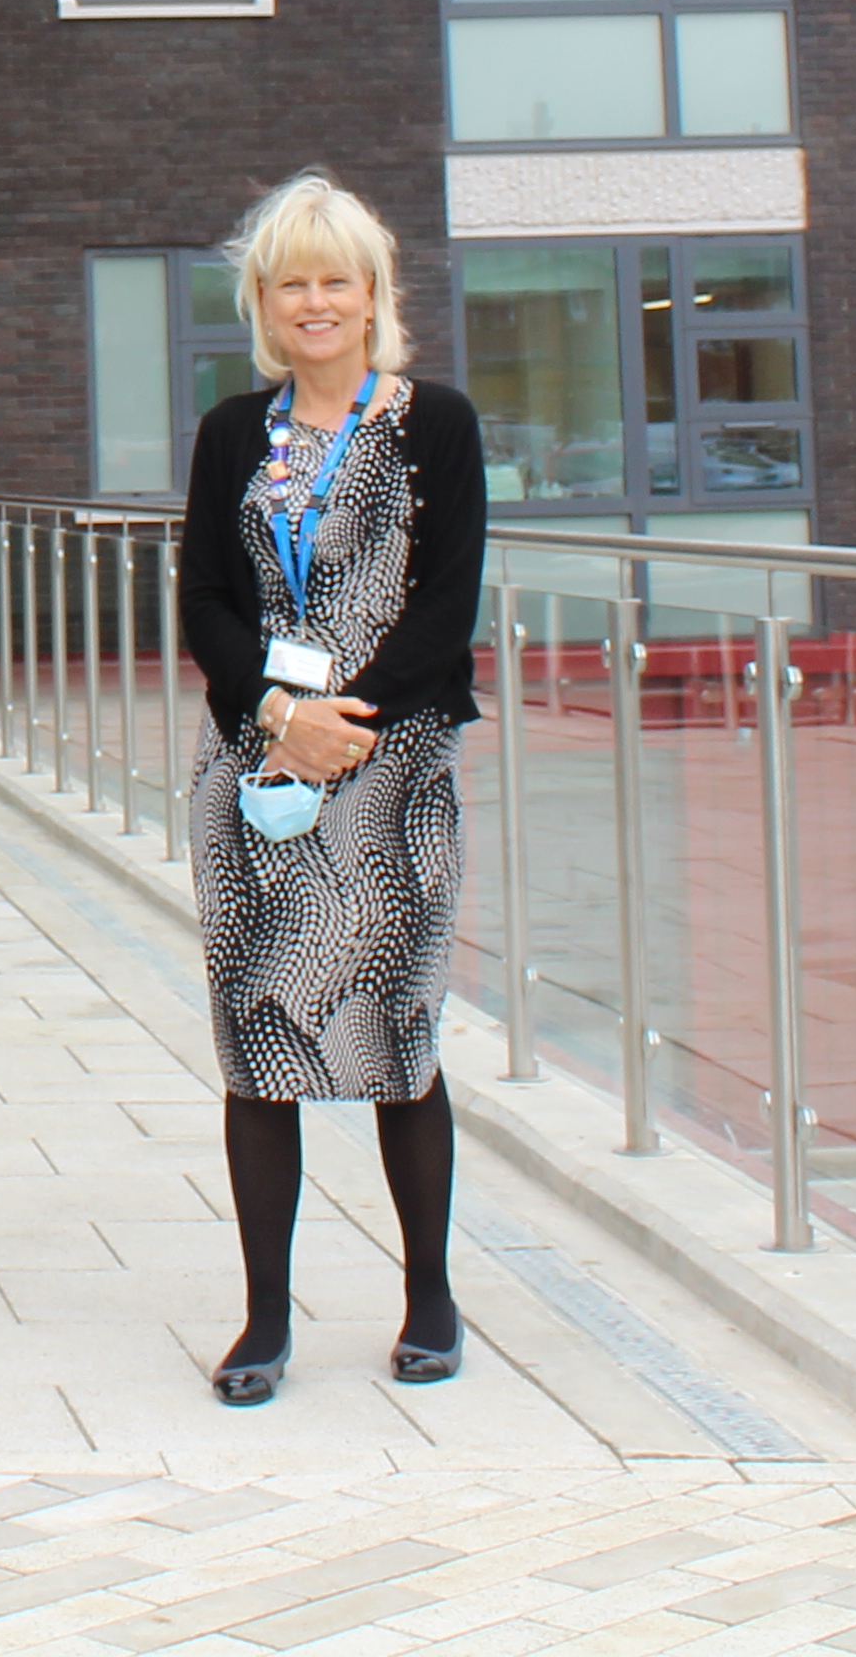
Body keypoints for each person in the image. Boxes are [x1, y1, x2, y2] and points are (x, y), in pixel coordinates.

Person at [175, 169, 490, 1405]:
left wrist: (342, 724)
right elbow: (205, 594)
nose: (316, 300)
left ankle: (430, 1294)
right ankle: (264, 1318)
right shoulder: (227, 434)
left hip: (394, 778)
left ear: (373, 297)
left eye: (336, 280)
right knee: (261, 1039)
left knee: (395, 1035)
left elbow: (446, 604)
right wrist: (274, 713)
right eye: (292, 281)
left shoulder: (435, 425)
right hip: (256, 778)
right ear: (265, 301)